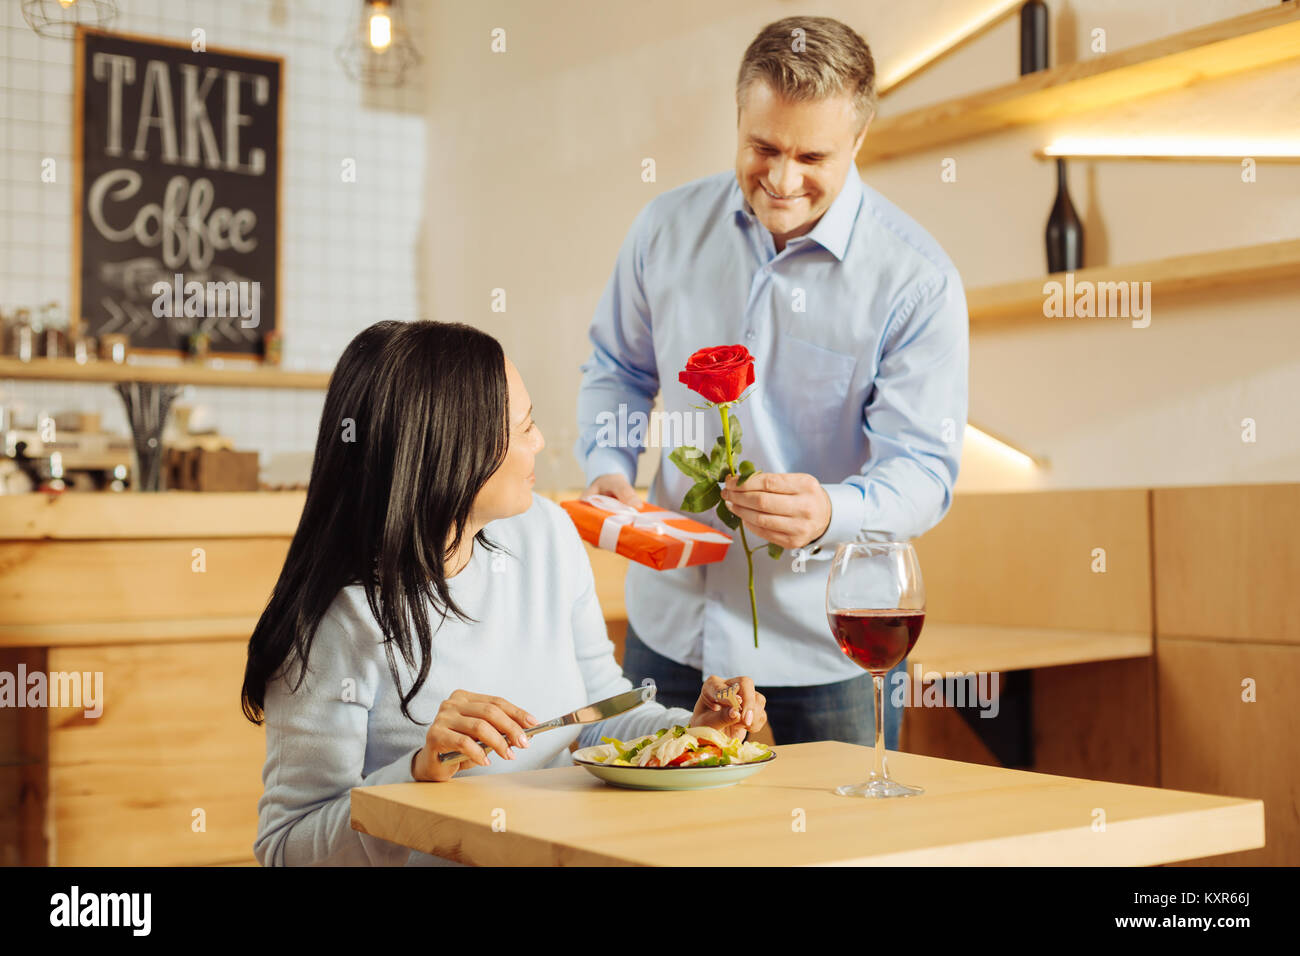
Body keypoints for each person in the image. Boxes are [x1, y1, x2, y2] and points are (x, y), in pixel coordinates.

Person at [575, 17, 968, 749]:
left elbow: (924, 471)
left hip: (829, 656)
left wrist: (832, 511)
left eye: (812, 155)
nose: (783, 181)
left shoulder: (917, 281)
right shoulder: (663, 230)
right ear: (738, 120)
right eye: (763, 148)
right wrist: (608, 467)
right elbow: (616, 373)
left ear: (859, 141)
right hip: (667, 638)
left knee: (832, 862)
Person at [242, 320, 768, 866]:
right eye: (525, 427)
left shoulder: (546, 532)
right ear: (452, 450)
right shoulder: (339, 616)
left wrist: (690, 735)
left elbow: (596, 712)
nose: (539, 441)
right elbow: (287, 847)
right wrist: (418, 774)